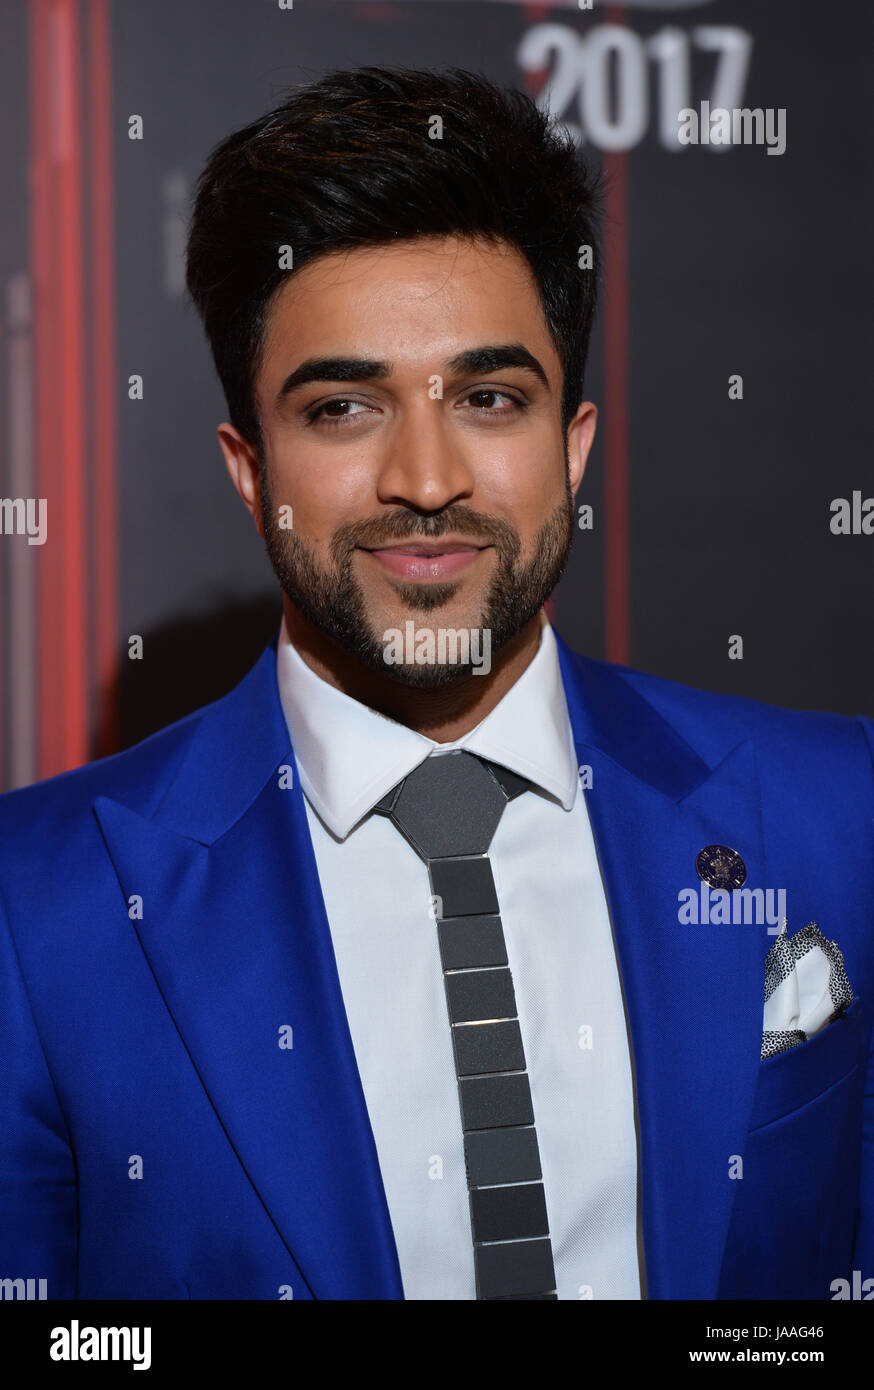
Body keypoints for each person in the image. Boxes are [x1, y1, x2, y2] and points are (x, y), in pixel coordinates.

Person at [1, 66, 871, 1302]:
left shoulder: (838, 811)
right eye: (345, 406)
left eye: (487, 397)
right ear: (252, 472)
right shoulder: (33, 911)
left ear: (571, 445)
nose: (424, 476)